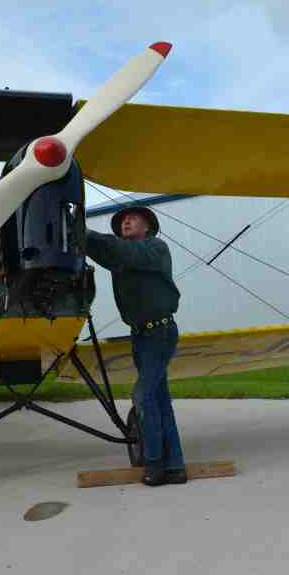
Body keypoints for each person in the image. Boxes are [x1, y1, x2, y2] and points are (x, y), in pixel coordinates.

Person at [85, 205, 185, 486]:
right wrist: (74, 235)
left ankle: (154, 464)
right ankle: (175, 466)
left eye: (132, 218)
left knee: (142, 395)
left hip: (160, 334)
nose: (126, 221)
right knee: (159, 400)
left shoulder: (155, 249)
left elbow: (120, 251)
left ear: (148, 227)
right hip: (140, 336)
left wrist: (86, 234)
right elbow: (107, 252)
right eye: (122, 220)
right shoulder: (122, 256)